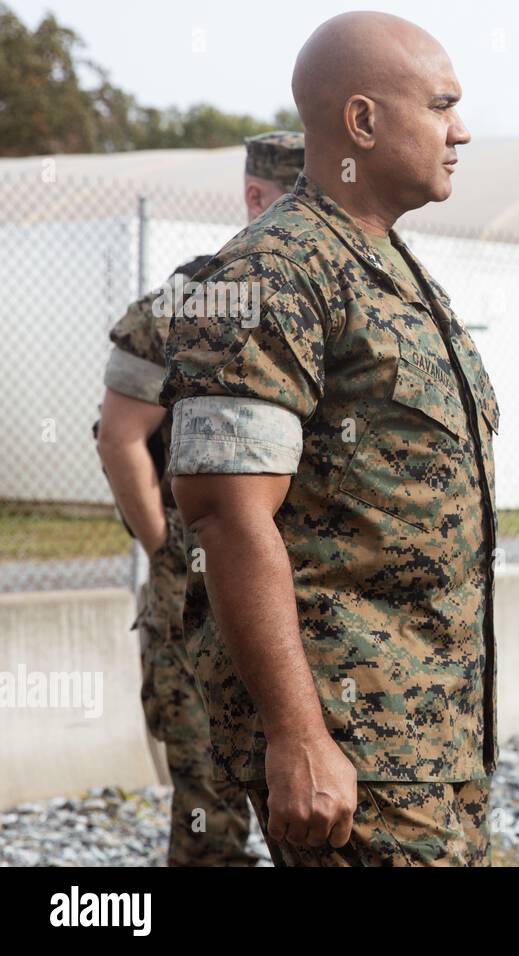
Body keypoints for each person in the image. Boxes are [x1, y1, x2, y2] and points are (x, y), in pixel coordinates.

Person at [161, 11, 498, 866]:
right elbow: (226, 515)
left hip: (430, 736)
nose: (462, 129)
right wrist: (298, 737)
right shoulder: (273, 274)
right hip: (351, 740)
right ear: (362, 123)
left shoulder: (391, 266)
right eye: (441, 104)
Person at [96, 130, 303, 866]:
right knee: (208, 806)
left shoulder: (318, 298)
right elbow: (121, 437)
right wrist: (163, 548)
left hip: (299, 591)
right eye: (297, 197)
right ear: (257, 197)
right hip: (196, 593)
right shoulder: (179, 305)